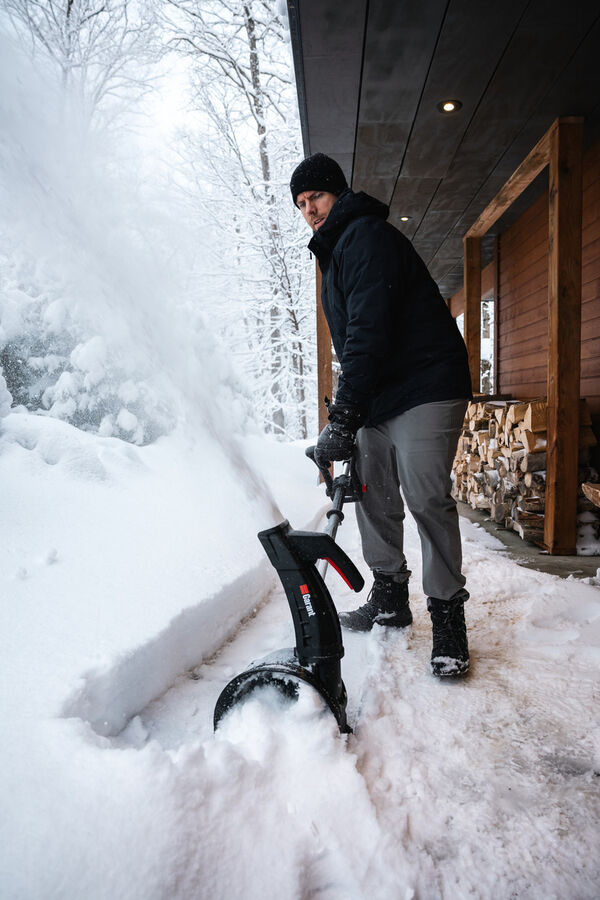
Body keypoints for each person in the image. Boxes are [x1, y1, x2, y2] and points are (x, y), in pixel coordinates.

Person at [290, 152, 473, 677]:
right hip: (382, 393)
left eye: (316, 197)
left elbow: (369, 330)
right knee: (371, 491)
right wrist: (348, 415)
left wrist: (346, 415)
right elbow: (354, 345)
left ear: (338, 193)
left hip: (426, 384)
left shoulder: (365, 236)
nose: (310, 209)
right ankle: (390, 596)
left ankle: (448, 619)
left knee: (426, 497)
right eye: (301, 203)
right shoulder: (334, 251)